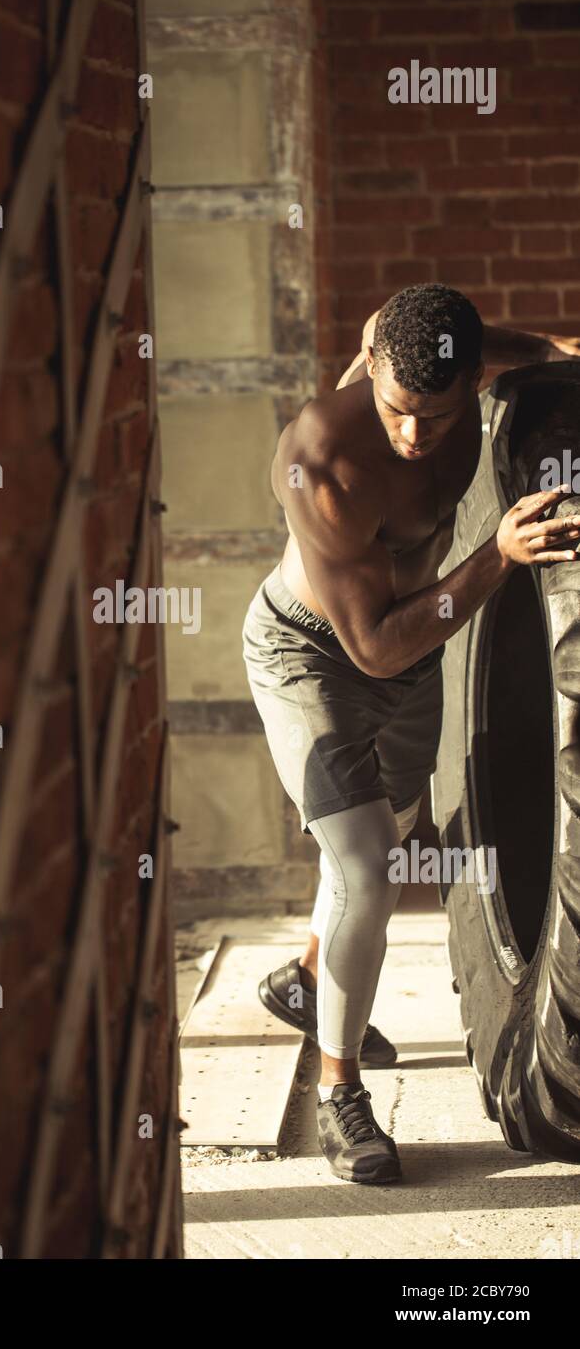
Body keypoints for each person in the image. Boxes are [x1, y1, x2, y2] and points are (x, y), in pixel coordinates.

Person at [242, 283, 580, 1183]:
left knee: (392, 835)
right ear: (370, 368)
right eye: (396, 409)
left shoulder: (452, 372)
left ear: (471, 379)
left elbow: (503, 343)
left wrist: (556, 350)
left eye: (435, 412)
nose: (414, 435)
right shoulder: (321, 461)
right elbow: (376, 646)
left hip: (416, 643)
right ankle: (340, 1092)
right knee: (364, 869)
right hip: (318, 652)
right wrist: (498, 557)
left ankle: (307, 983)